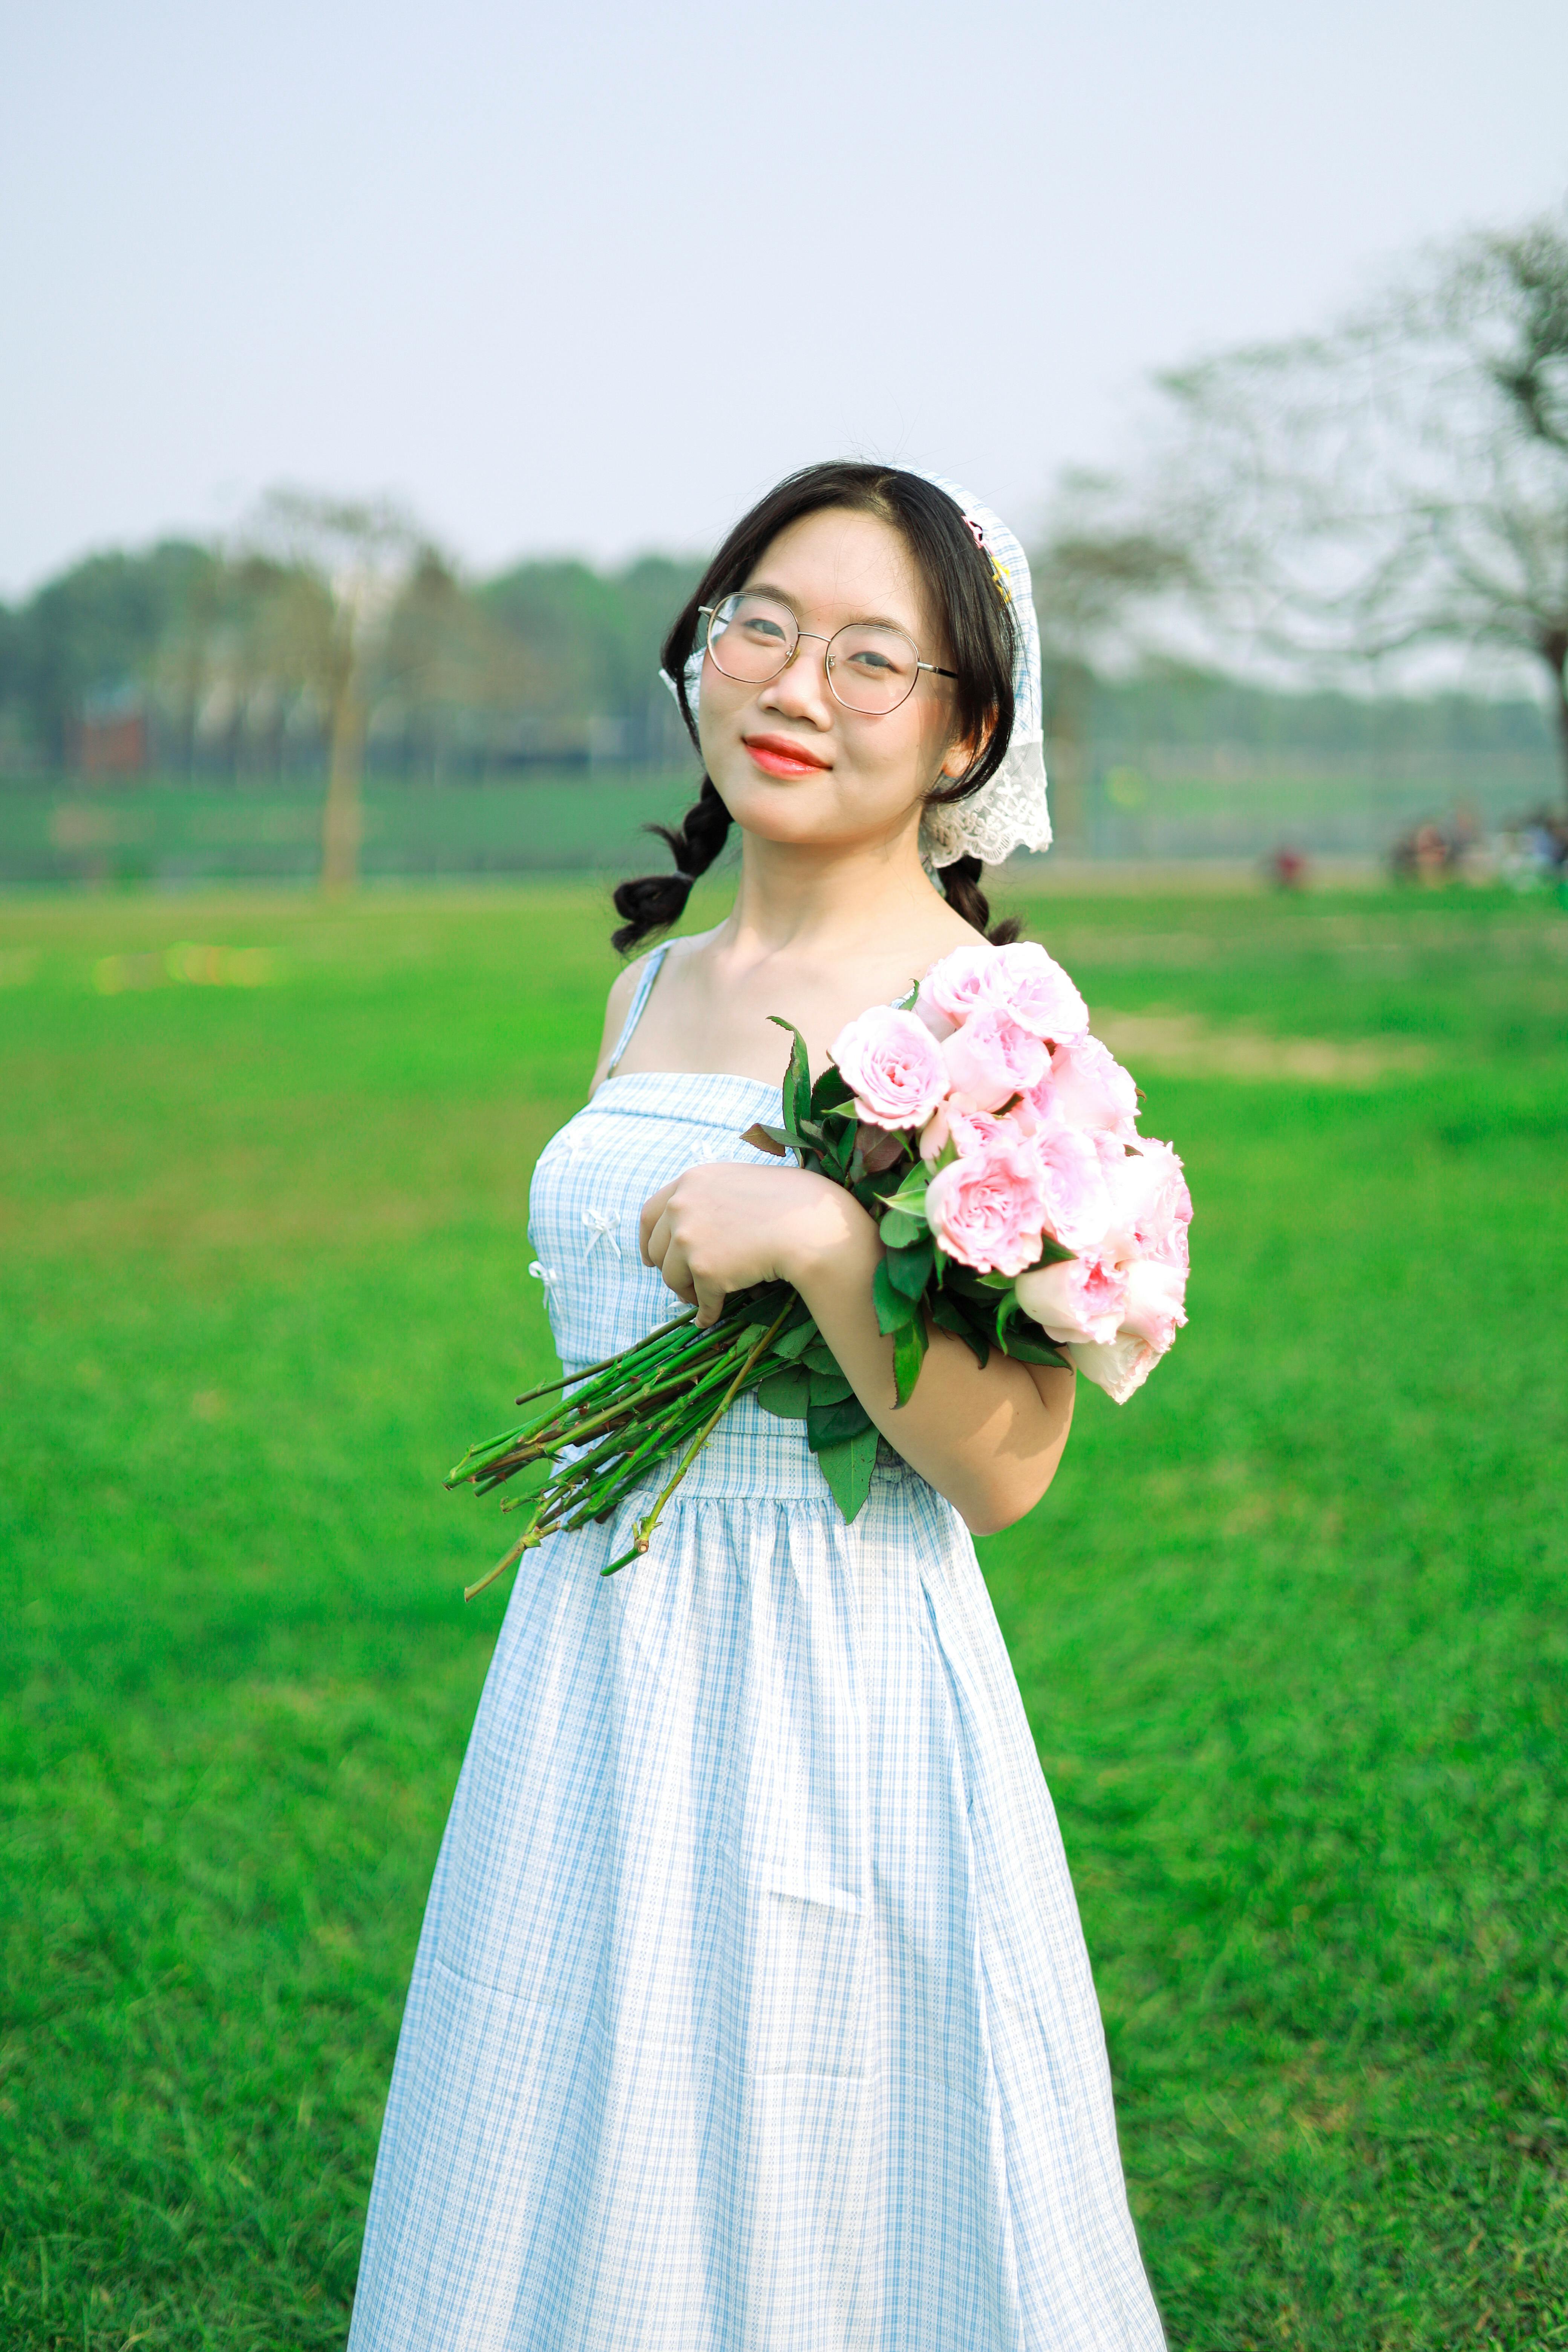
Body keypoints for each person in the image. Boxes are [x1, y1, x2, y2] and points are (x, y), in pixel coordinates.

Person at [347, 462, 1167, 2351]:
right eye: (763, 627)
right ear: (700, 651)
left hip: (838, 1679)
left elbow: (1005, 1472)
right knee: (578, 2108)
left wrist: (822, 1234)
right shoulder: (649, 991)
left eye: (871, 658)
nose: (796, 687)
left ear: (965, 732)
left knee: (824, 2145)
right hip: (593, 1655)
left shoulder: (990, 1025)